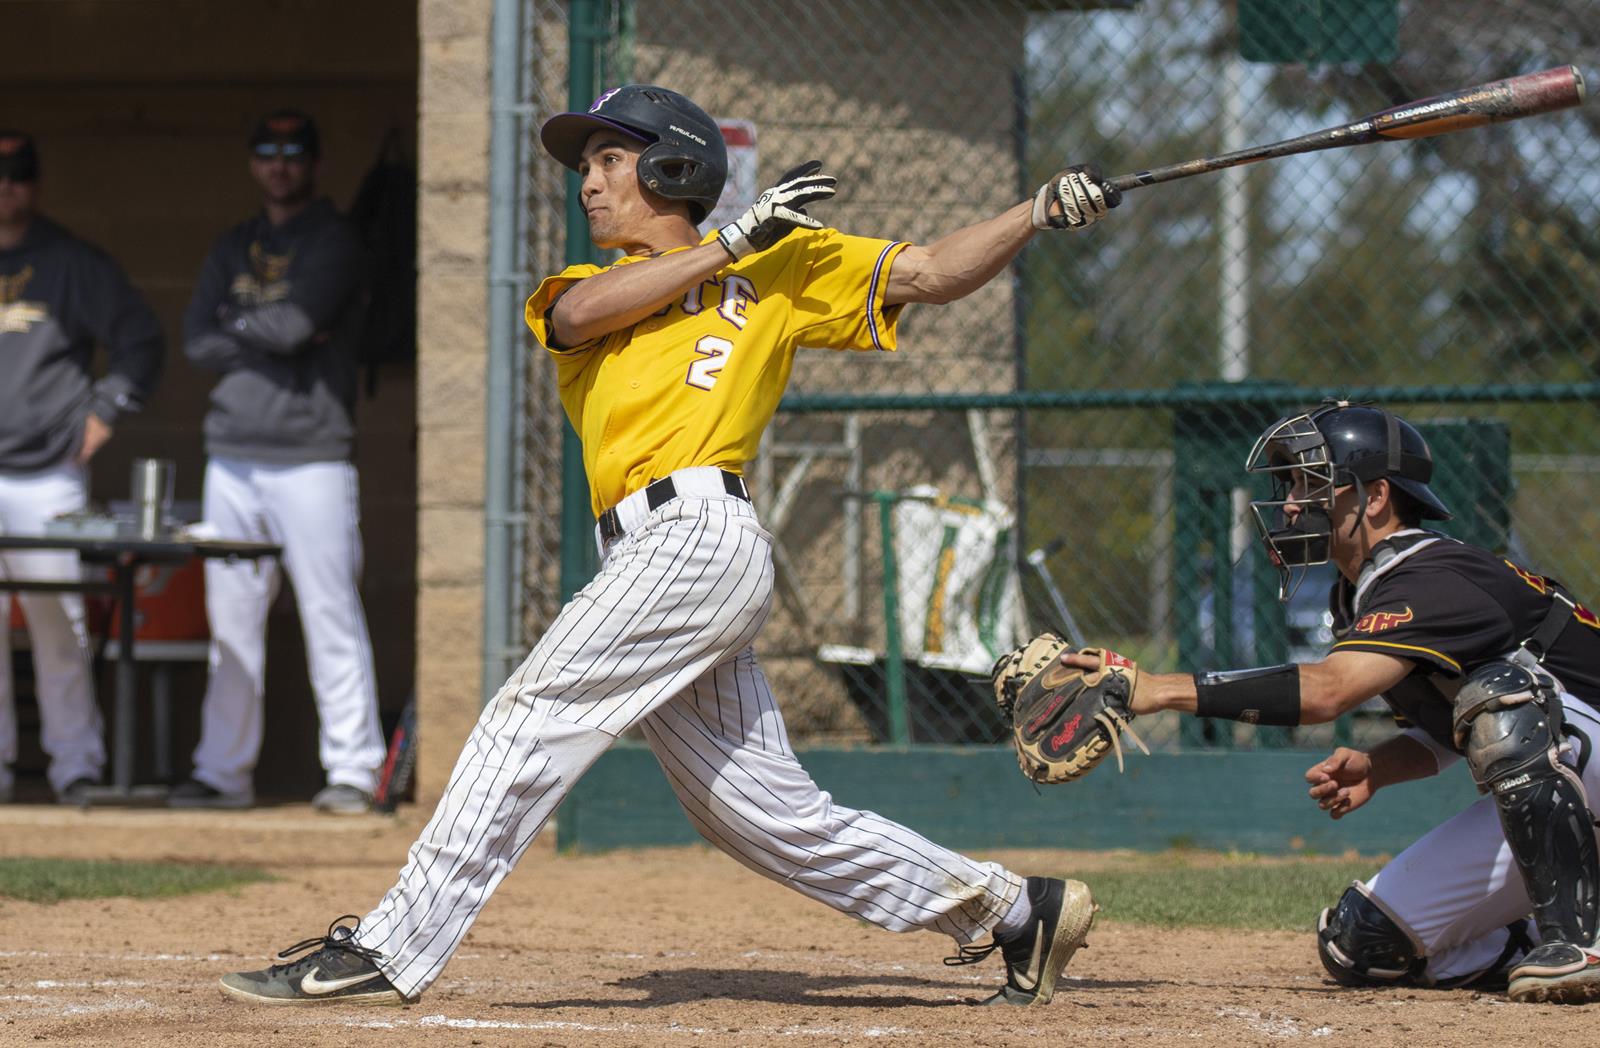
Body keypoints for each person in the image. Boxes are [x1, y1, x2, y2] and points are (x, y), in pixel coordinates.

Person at [216, 84, 1122, 1007]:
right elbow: (578, 321)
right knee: (763, 817)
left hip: (699, 534)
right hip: (645, 550)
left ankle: (390, 946)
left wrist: (1036, 212)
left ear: (672, 167)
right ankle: (1015, 909)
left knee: (529, 715)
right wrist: (732, 242)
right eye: (586, 169)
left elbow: (931, 271)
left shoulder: (782, 267)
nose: (590, 186)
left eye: (611, 162)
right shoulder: (582, 287)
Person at [1064, 400, 1600, 1005]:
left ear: (1374, 497)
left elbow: (1329, 691)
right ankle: (1536, 939)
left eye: (1308, 482)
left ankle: (1578, 942)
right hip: (1578, 793)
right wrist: (1378, 767)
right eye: (1290, 483)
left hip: (1585, 760)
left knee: (1503, 697)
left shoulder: (1431, 573)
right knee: (1362, 944)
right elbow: (1450, 730)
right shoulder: (1358, 594)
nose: (1291, 502)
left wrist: (1159, 690)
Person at [175, 110, 385, 814]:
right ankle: (222, 772)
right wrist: (261, 332)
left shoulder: (333, 237)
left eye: (294, 153)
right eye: (266, 152)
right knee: (231, 619)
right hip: (230, 456)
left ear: (316, 163)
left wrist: (250, 331)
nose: (279, 164)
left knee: (330, 611)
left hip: (311, 455)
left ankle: (353, 769)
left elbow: (296, 328)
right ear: (252, 162)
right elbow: (195, 341)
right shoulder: (233, 243)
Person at [0, 130, 165, 805]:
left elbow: (141, 339)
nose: (6, 185)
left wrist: (104, 410)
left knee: (57, 620)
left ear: (36, 184)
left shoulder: (71, 260)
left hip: (46, 473)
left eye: (18, 174)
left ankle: (76, 767)